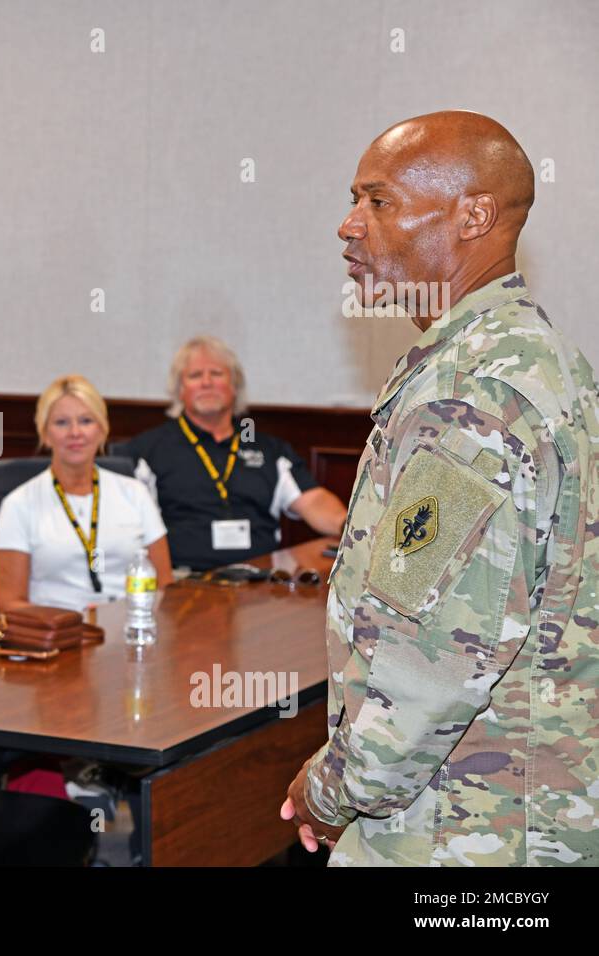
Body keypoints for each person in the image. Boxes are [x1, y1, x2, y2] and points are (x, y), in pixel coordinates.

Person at [281, 110, 599, 866]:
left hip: (462, 834)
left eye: (378, 201)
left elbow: (429, 660)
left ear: (473, 215)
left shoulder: (472, 394)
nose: (349, 227)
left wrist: (334, 790)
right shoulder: (537, 358)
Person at [123, 337, 346, 572]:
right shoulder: (147, 450)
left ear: (234, 386)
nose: (206, 383)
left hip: (260, 583)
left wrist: (347, 526)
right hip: (183, 583)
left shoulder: (268, 449)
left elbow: (312, 500)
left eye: (217, 374)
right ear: (180, 389)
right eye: (195, 376)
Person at [0, 374, 172, 612]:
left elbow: (164, 583)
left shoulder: (135, 494)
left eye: (86, 421)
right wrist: (68, 628)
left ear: (102, 430)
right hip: (58, 636)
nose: (75, 432)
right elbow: (9, 602)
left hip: (129, 628)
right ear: (45, 433)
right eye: (62, 423)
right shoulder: (19, 505)